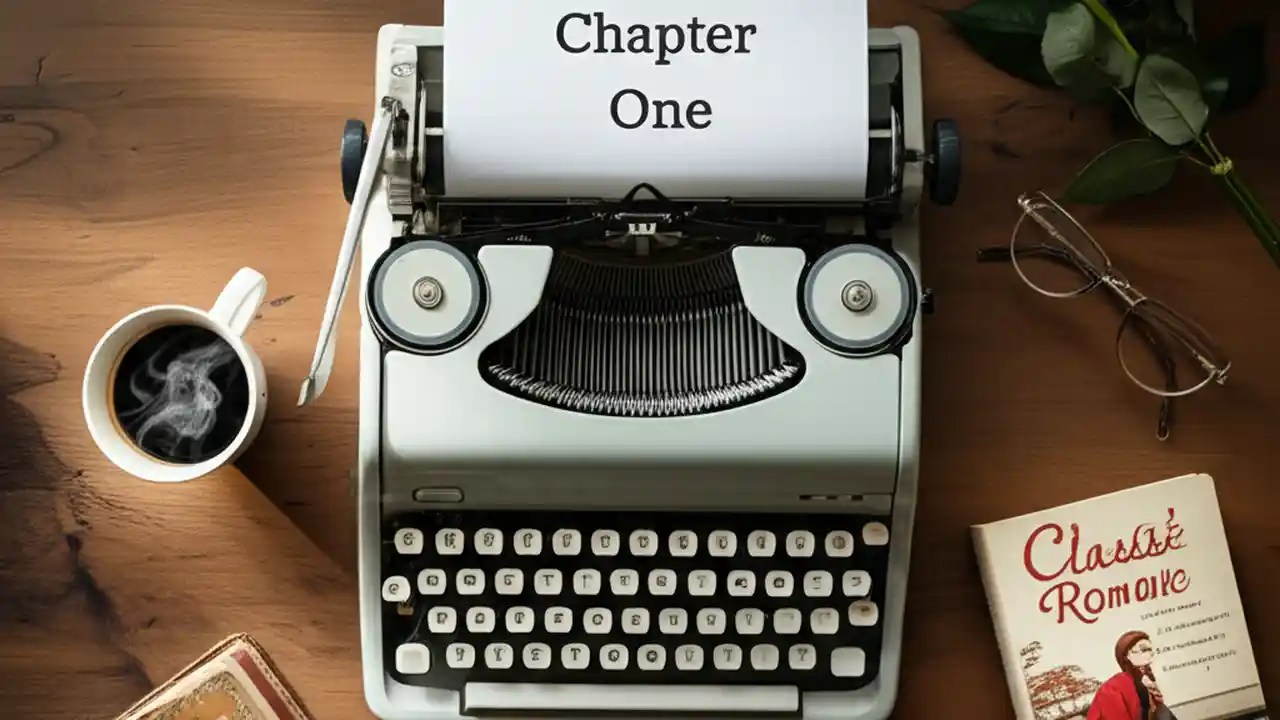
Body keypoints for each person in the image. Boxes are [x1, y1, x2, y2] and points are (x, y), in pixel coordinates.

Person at [1087, 631, 1178, 720]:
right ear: (1127, 655)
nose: (1150, 653)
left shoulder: (1146, 682)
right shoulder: (1113, 687)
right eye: (1144, 650)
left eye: (1150, 649)